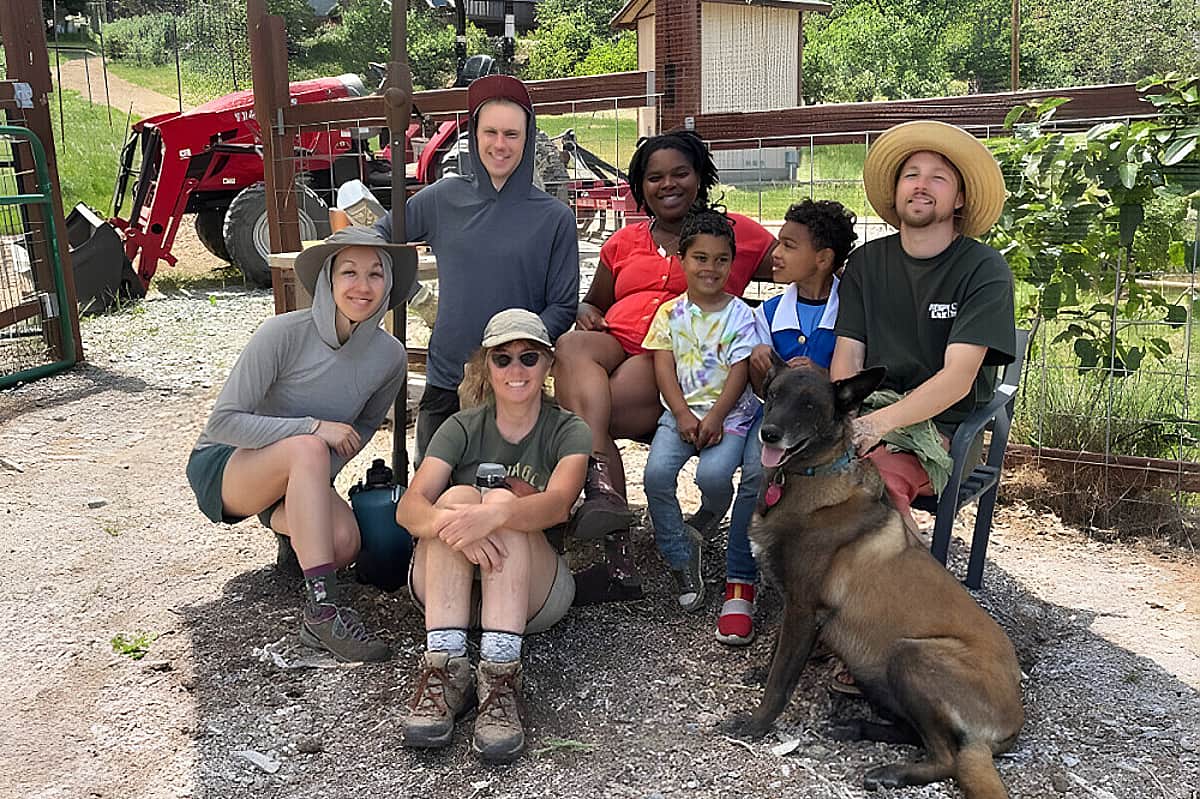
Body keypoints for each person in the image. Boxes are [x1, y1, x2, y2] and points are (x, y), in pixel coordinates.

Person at [552, 130, 776, 604]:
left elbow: (799, 264)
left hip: (671, 361)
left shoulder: (732, 232)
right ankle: (602, 492)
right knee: (571, 346)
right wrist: (587, 312)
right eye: (654, 177)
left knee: (583, 418)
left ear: (700, 177)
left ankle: (610, 532)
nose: (667, 184)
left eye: (680, 173)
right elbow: (596, 302)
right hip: (616, 342)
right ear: (640, 186)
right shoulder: (623, 241)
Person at [829, 121, 1016, 687]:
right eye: (911, 174)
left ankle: (888, 636)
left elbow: (959, 379)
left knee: (876, 487)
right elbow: (847, 357)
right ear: (895, 192)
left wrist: (878, 426)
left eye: (938, 177)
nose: (921, 185)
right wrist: (847, 420)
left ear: (959, 199)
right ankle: (827, 608)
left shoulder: (982, 268)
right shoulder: (867, 265)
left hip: (943, 426)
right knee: (799, 472)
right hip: (870, 411)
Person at [185, 227, 417, 662]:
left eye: (375, 274)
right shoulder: (282, 334)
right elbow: (224, 423)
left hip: (300, 470)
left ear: (388, 284)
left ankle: (293, 535)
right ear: (328, 280)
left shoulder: (390, 357)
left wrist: (314, 476)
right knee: (308, 446)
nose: (362, 286)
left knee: (345, 543)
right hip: (227, 464)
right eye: (348, 272)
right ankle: (322, 612)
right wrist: (313, 428)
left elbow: (364, 426)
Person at [396, 309, 590, 765]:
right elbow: (409, 507)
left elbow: (557, 504)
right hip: (451, 588)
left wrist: (492, 515)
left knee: (501, 509)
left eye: (528, 357)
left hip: (533, 590)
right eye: (502, 359)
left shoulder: (567, 429)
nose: (516, 370)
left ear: (547, 365)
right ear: (487, 366)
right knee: (459, 497)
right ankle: (446, 667)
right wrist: (460, 523)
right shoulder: (463, 426)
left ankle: (501, 677)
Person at [373, 74, 579, 459]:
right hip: (447, 379)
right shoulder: (442, 199)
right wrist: (409, 291)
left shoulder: (554, 219)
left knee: (508, 500)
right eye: (491, 132)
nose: (500, 145)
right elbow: (380, 237)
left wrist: (511, 350)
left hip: (515, 381)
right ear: (475, 136)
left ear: (528, 139)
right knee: (432, 494)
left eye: (512, 135)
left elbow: (563, 307)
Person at [640, 209, 764, 640]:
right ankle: (680, 556)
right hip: (679, 415)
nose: (710, 268)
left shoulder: (741, 316)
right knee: (656, 476)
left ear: (732, 263)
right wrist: (681, 414)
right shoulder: (670, 315)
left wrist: (713, 417)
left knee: (714, 475)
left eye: (721, 260)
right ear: (681, 259)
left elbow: (740, 372)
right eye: (700, 258)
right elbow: (663, 367)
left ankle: (711, 512)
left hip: (728, 417)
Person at [748, 198, 859, 381]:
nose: (775, 253)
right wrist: (757, 363)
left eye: (788, 246)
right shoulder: (768, 315)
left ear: (823, 259)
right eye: (779, 243)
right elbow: (761, 392)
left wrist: (824, 376)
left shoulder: (853, 313)